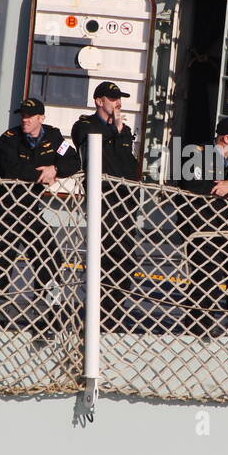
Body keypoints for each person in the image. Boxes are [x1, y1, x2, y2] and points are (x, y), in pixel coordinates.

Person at [0, 97, 81, 329]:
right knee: (2, 258)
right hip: (3, 206)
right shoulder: (9, 139)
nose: (25, 120)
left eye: (30, 116)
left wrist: (55, 169)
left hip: (29, 207)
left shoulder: (54, 137)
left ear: (41, 118)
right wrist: (42, 175)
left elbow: (73, 161)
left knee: (49, 255)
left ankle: (47, 306)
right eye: (23, 116)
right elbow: (11, 168)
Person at [173, 115, 228, 335]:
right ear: (226, 138)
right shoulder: (198, 154)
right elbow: (189, 182)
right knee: (206, 283)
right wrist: (219, 189)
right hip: (203, 228)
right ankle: (198, 331)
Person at [72, 81, 140, 319]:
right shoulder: (84, 124)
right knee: (103, 255)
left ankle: (114, 310)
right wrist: (116, 131)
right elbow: (89, 139)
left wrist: (120, 133)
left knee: (124, 258)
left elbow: (128, 166)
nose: (118, 103)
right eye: (113, 99)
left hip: (125, 202)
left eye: (119, 98)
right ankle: (95, 309)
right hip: (102, 200)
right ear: (99, 101)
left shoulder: (123, 131)